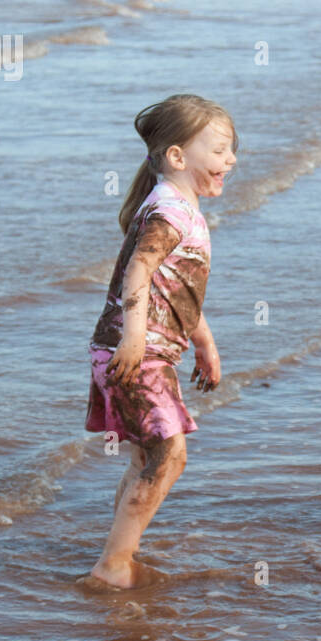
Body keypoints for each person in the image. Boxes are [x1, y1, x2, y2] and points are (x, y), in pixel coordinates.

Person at [83, 93, 237, 590]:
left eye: (231, 150)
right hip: (135, 351)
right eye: (218, 151)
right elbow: (139, 270)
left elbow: (179, 289)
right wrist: (133, 339)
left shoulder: (176, 205)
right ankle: (113, 565)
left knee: (148, 457)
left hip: (136, 348)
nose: (229, 161)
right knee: (169, 455)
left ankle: (119, 554)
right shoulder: (170, 212)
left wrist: (204, 343)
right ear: (177, 156)